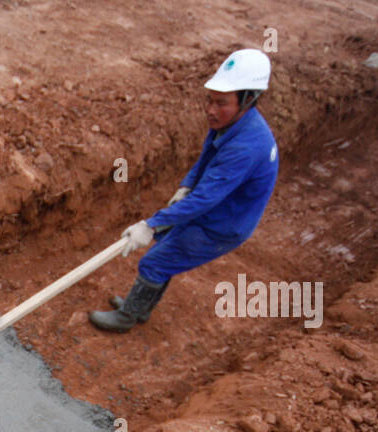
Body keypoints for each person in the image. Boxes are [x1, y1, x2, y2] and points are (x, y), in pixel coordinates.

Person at [90, 49, 280, 332]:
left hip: (224, 223)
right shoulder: (229, 123)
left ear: (249, 99)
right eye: (210, 100)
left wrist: (151, 224)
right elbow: (205, 158)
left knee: (155, 261)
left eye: (221, 103)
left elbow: (206, 199)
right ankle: (140, 308)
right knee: (165, 252)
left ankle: (128, 317)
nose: (211, 110)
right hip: (214, 207)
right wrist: (186, 185)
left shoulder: (247, 147)